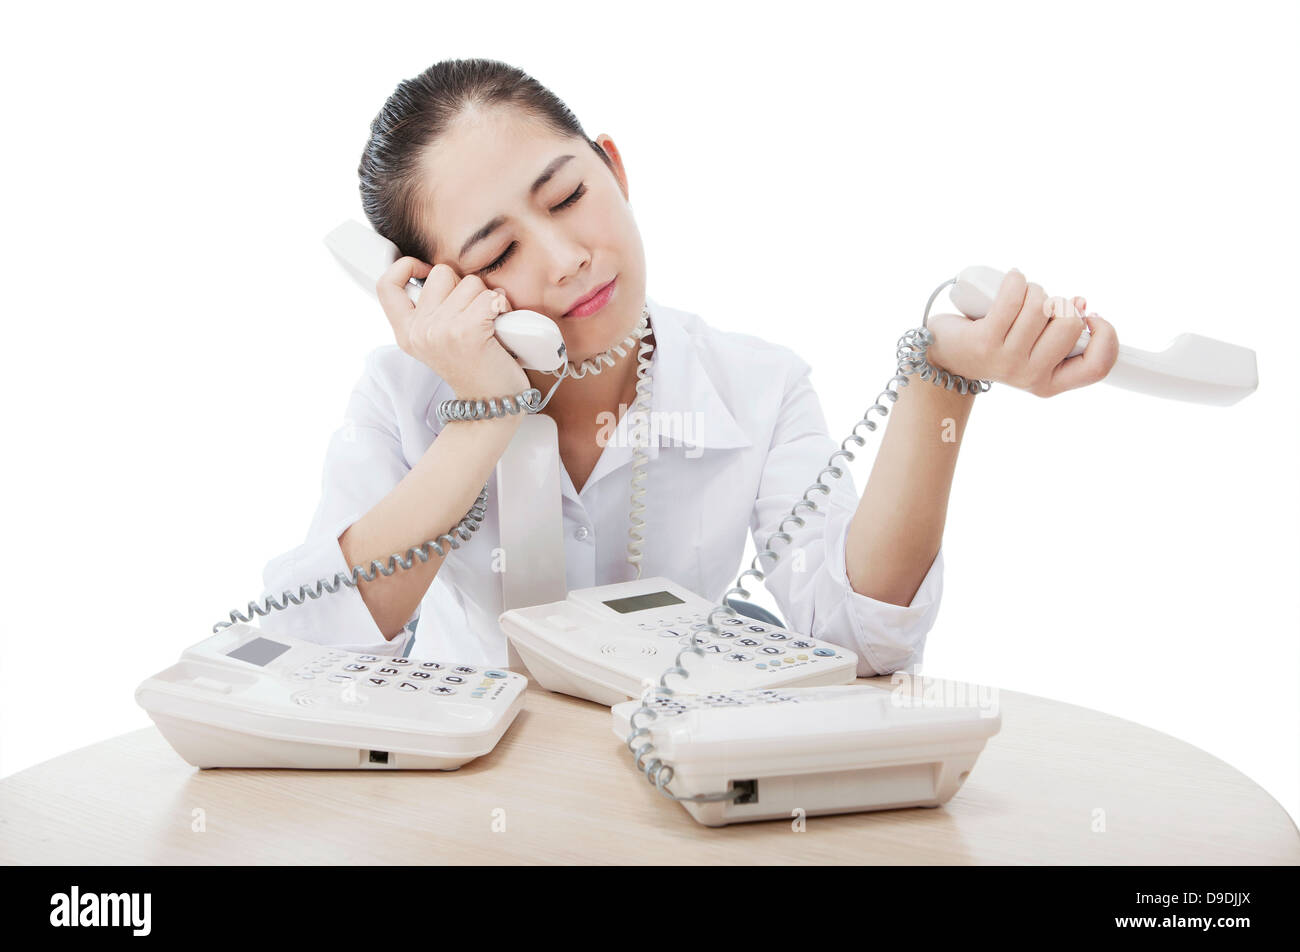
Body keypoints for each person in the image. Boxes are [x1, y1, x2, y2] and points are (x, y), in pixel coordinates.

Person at [258, 58, 1118, 673]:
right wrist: (481, 413)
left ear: (615, 169)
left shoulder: (758, 385)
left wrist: (942, 380)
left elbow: (867, 642)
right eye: (497, 251)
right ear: (433, 287)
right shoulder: (401, 396)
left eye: (568, 197)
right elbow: (308, 655)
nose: (565, 258)